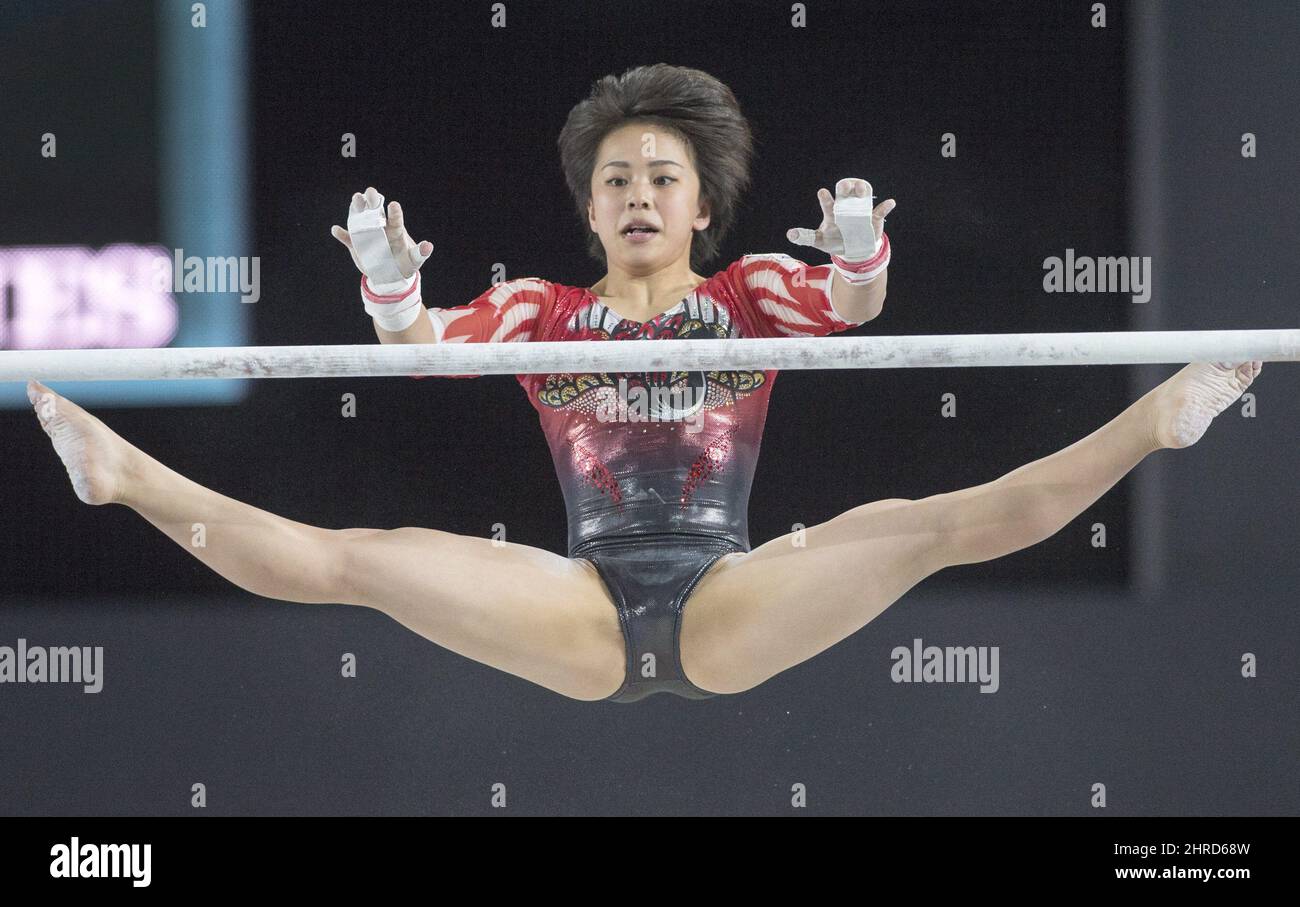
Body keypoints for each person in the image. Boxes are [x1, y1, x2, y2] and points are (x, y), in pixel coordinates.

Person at [29, 64, 1261, 703]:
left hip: (729, 596)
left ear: (703, 205)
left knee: (922, 527)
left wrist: (854, 248)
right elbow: (416, 349)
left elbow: (853, 309)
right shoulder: (540, 315)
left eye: (660, 178)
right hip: (576, 608)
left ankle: (1154, 420)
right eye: (615, 178)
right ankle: (130, 474)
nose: (636, 195)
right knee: (361, 556)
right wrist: (392, 282)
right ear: (589, 207)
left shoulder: (746, 298)